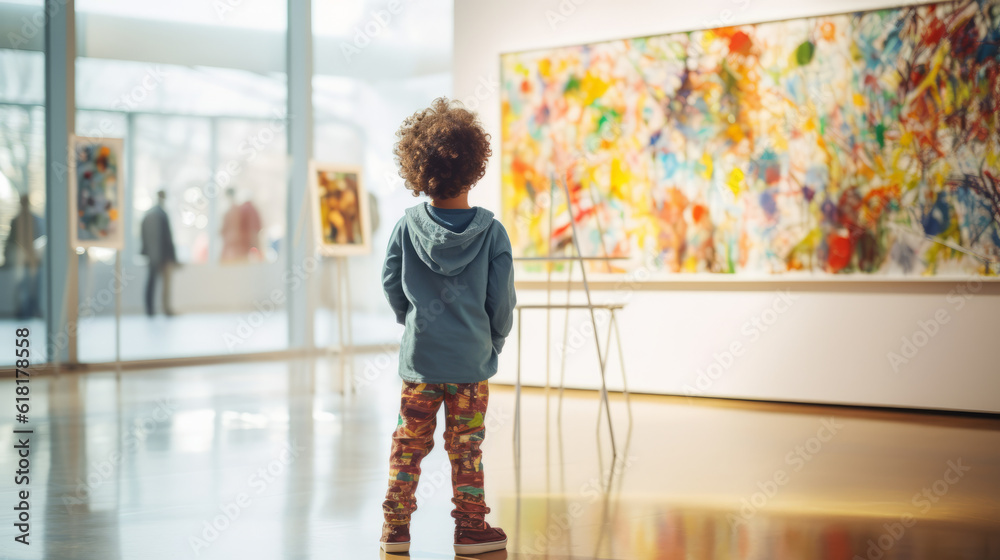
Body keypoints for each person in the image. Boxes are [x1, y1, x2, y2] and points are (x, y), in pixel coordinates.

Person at [379, 97, 516, 555]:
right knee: (466, 448)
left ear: (418, 167)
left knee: (408, 445)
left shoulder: (407, 226)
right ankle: (471, 529)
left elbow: (391, 283)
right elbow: (502, 302)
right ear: (476, 164)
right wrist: (490, 341)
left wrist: (413, 321)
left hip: (421, 361)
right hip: (471, 364)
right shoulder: (492, 233)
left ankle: (395, 530)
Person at [3, 195, 44, 319]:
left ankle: (33, 309)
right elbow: (11, 240)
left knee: (34, 284)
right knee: (22, 284)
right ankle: (23, 310)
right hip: (20, 258)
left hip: (33, 258)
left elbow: (39, 238)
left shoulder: (35, 219)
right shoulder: (16, 220)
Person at [140, 189, 177, 316]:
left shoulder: (148, 214)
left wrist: (146, 252)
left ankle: (151, 310)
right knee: (163, 284)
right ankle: (164, 309)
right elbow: (167, 237)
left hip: (152, 255)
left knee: (151, 282)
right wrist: (173, 257)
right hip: (162, 255)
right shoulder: (161, 214)